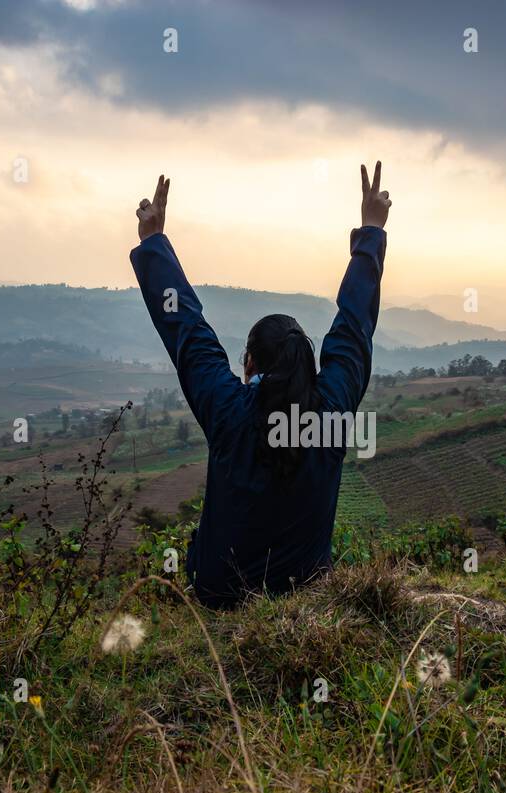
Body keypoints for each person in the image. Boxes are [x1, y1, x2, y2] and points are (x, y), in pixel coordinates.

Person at [129, 163, 392, 607]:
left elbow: (188, 330)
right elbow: (354, 326)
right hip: (306, 595)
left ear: (249, 363)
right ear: (307, 365)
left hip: (220, 595)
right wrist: (371, 232)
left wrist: (153, 242)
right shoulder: (331, 414)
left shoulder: (229, 409)